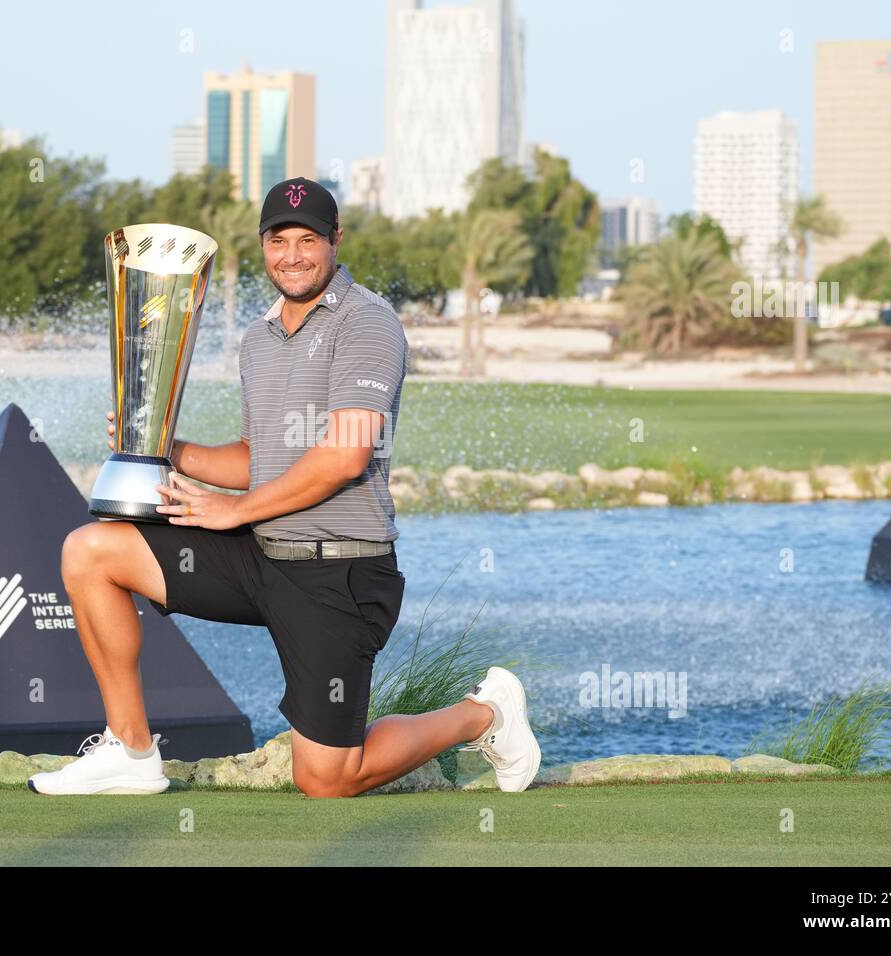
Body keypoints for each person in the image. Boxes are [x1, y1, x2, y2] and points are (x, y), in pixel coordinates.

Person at [29, 177, 540, 797]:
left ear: (335, 242)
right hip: (259, 554)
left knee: (328, 779)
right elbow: (256, 458)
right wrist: (163, 444)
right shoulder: (259, 338)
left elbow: (346, 457)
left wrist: (234, 510)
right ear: (263, 245)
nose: (292, 254)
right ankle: (131, 751)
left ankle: (484, 714)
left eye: (308, 240)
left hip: (340, 571)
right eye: (279, 240)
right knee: (91, 550)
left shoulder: (368, 322)